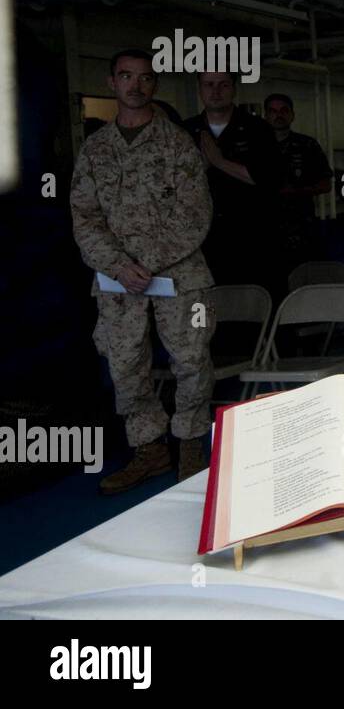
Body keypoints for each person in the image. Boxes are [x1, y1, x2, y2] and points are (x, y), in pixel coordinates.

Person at [70, 49, 215, 492]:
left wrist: (145, 263)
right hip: (117, 282)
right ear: (112, 83)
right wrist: (118, 265)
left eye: (146, 78)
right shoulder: (95, 149)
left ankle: (191, 447)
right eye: (126, 76)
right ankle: (148, 451)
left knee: (190, 360)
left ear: (155, 85)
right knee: (125, 364)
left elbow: (195, 213)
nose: (136, 85)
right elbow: (84, 216)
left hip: (178, 274)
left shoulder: (177, 144)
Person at [182, 69, 281, 288]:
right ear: (200, 89)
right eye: (208, 85)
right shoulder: (185, 130)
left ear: (234, 89)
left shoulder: (258, 129)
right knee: (209, 305)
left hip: (251, 235)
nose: (215, 91)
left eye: (223, 85)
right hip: (202, 236)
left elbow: (268, 179)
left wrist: (219, 162)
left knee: (252, 304)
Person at [265, 93, 333, 290]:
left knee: (304, 282)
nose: (279, 115)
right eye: (273, 111)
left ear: (292, 115)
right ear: (265, 115)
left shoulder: (307, 145)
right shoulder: (255, 146)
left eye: (284, 110)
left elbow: (325, 184)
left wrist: (297, 191)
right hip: (264, 229)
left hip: (301, 227)